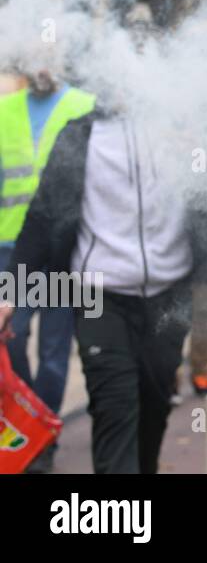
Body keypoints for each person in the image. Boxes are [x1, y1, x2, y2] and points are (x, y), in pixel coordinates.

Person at [0, 96, 207, 473]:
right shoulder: (79, 135)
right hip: (99, 296)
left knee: (154, 407)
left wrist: (199, 156)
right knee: (113, 407)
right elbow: (41, 216)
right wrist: (8, 295)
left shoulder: (181, 127)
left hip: (169, 299)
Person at [0, 66, 96, 467]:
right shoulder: (5, 111)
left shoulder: (85, 106)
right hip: (11, 250)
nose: (42, 66)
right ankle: (30, 419)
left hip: (63, 253)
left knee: (54, 352)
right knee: (11, 340)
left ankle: (45, 437)